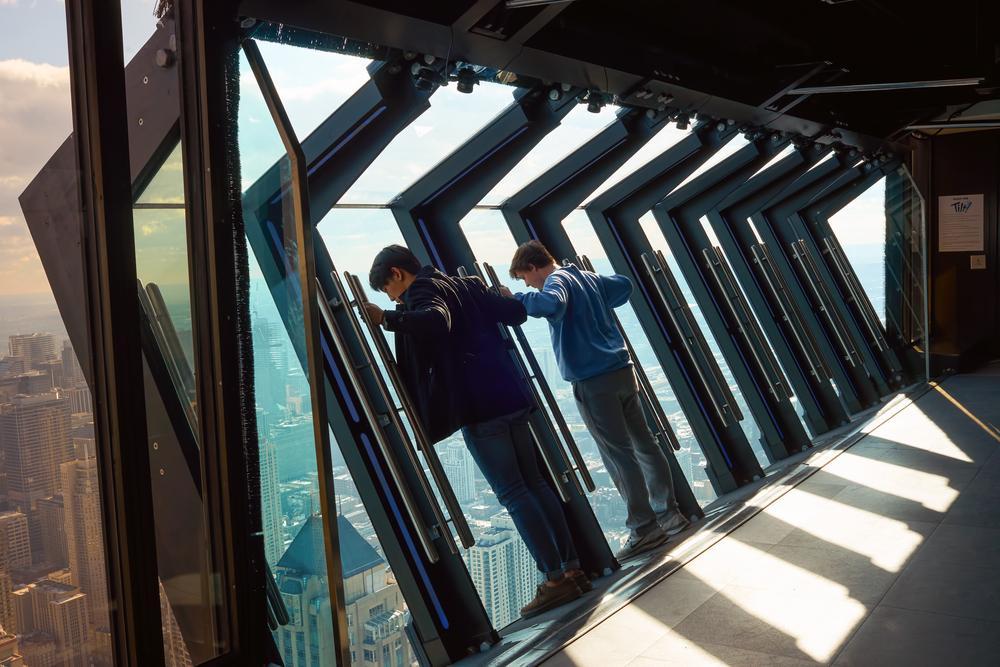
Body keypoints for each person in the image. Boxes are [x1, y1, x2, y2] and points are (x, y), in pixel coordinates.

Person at [364, 245, 588, 617]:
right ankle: (572, 568)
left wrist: (387, 319)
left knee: (515, 493)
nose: (393, 298)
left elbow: (436, 321)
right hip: (511, 394)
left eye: (390, 290)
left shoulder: (422, 291)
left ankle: (555, 580)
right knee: (535, 484)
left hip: (480, 407)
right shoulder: (464, 284)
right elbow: (515, 313)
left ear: (397, 274)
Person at [507, 240, 689, 562]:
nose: (526, 283)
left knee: (619, 456)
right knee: (646, 444)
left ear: (534, 267)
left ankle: (644, 529)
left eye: (524, 278)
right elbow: (623, 286)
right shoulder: (586, 277)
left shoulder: (556, 281)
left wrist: (517, 300)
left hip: (594, 381)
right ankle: (670, 516)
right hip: (622, 370)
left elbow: (548, 304)